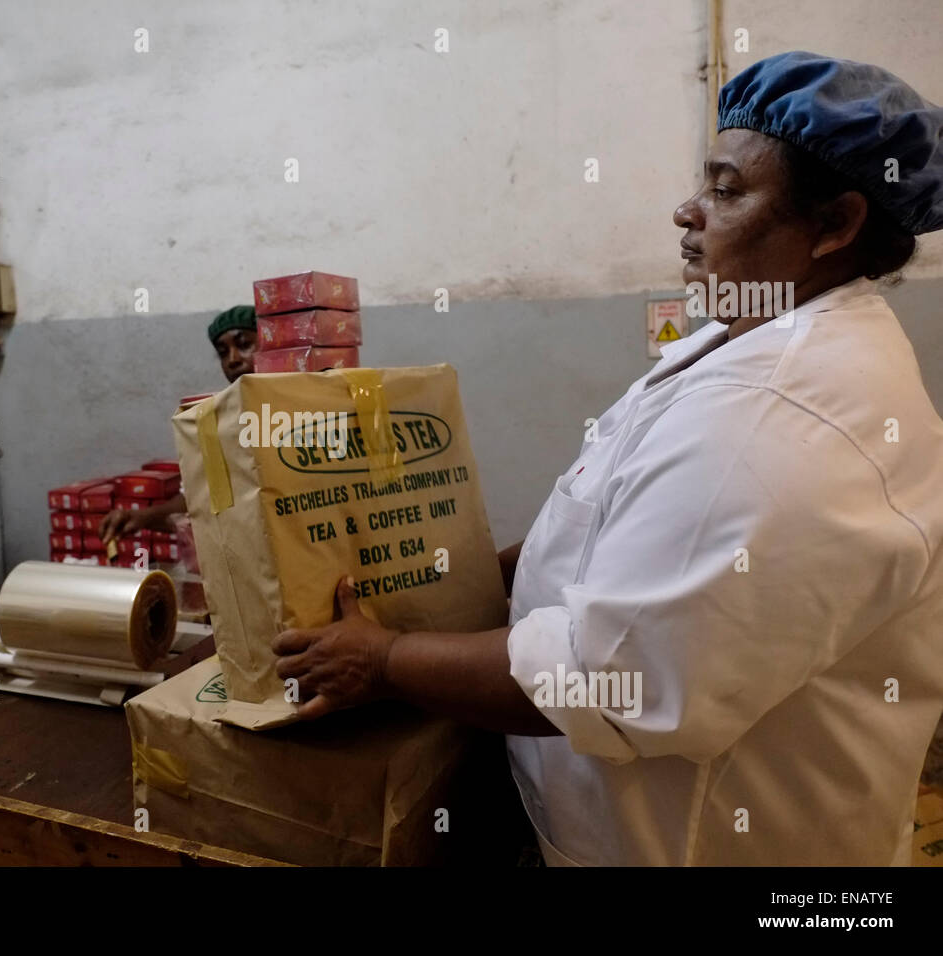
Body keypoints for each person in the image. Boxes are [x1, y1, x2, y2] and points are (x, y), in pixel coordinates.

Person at [272, 51, 943, 865]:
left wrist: (387, 661)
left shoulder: (779, 416)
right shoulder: (727, 347)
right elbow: (599, 527)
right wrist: (450, 581)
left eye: (726, 190)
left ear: (834, 225)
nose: (685, 212)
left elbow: (609, 681)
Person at [99, 305, 256, 542]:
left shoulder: (300, 412)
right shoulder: (217, 422)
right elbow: (199, 497)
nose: (233, 360)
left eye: (244, 345)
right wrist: (141, 517)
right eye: (223, 352)